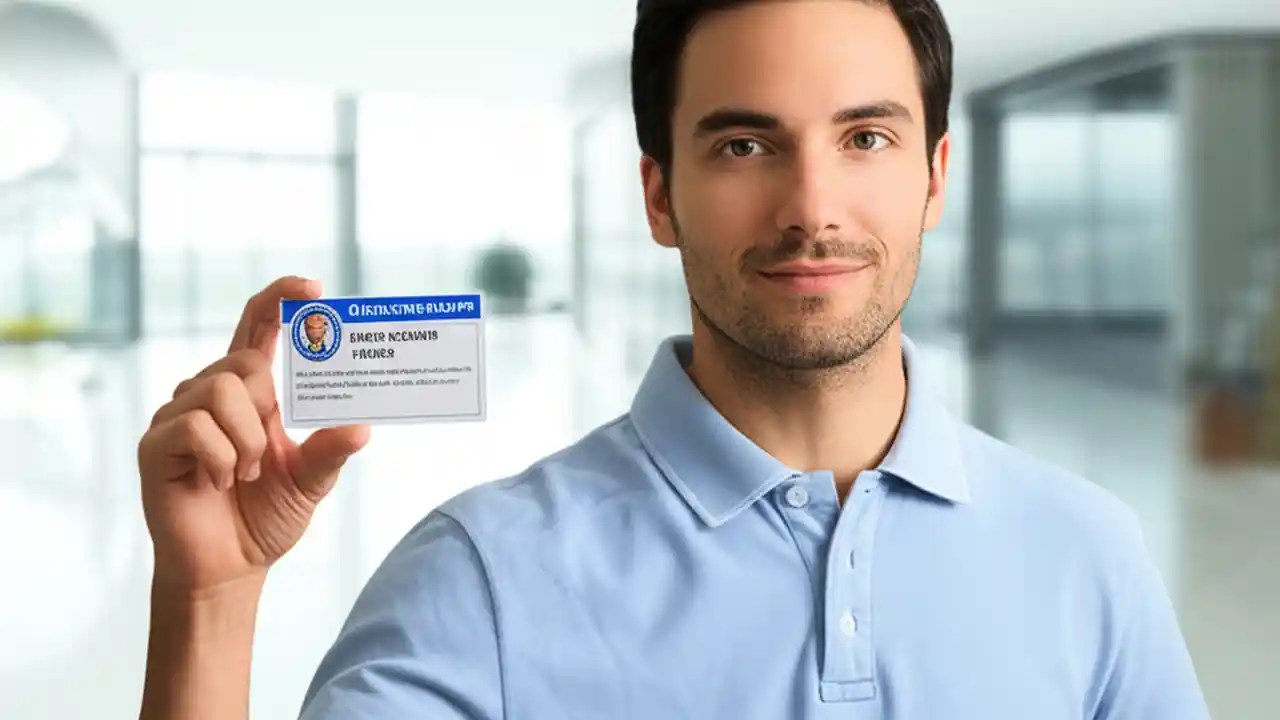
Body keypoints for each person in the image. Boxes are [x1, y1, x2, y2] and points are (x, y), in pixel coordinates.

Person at [137, 1, 1211, 718]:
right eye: (745, 144)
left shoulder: (1088, 556)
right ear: (658, 194)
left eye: (864, 138)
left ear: (933, 177)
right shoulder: (479, 579)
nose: (810, 209)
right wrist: (209, 602)